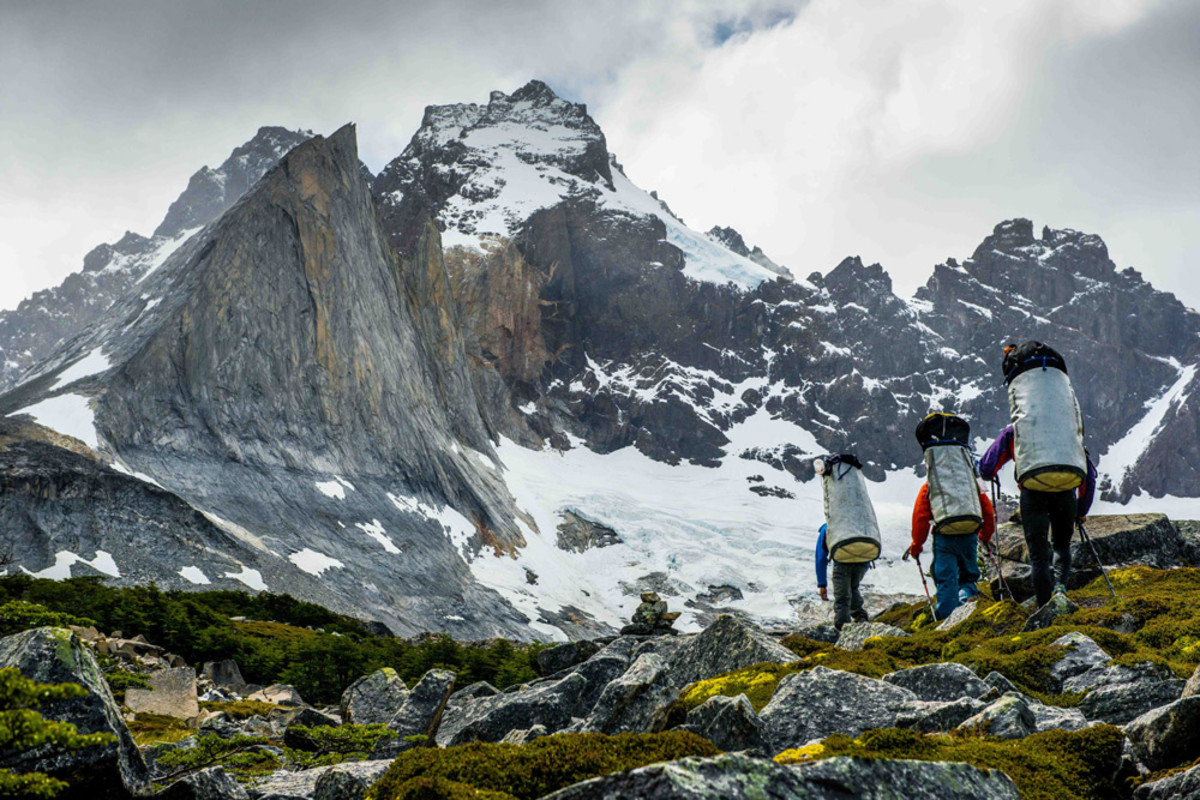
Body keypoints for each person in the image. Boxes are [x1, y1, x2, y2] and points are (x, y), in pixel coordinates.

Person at [980, 426, 1096, 607]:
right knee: (1062, 547)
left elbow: (987, 468)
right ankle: (1060, 592)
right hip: (1065, 493)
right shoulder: (1066, 426)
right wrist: (1081, 510)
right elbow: (1086, 471)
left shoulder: (1016, 429)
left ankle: (1044, 605)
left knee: (1038, 556)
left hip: (1033, 493)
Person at [909, 483, 996, 619]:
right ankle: (966, 609)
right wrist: (985, 535)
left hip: (944, 536)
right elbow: (988, 510)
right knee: (968, 577)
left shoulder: (932, 483)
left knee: (946, 579)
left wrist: (917, 545)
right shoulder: (969, 480)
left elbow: (921, 516)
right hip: (969, 534)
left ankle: (946, 619)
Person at [815, 522, 870, 629]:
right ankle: (860, 617)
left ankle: (843, 628)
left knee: (842, 598)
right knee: (852, 587)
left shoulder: (828, 528)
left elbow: (821, 558)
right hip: (863, 562)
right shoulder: (859, 525)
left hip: (842, 564)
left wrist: (822, 584)